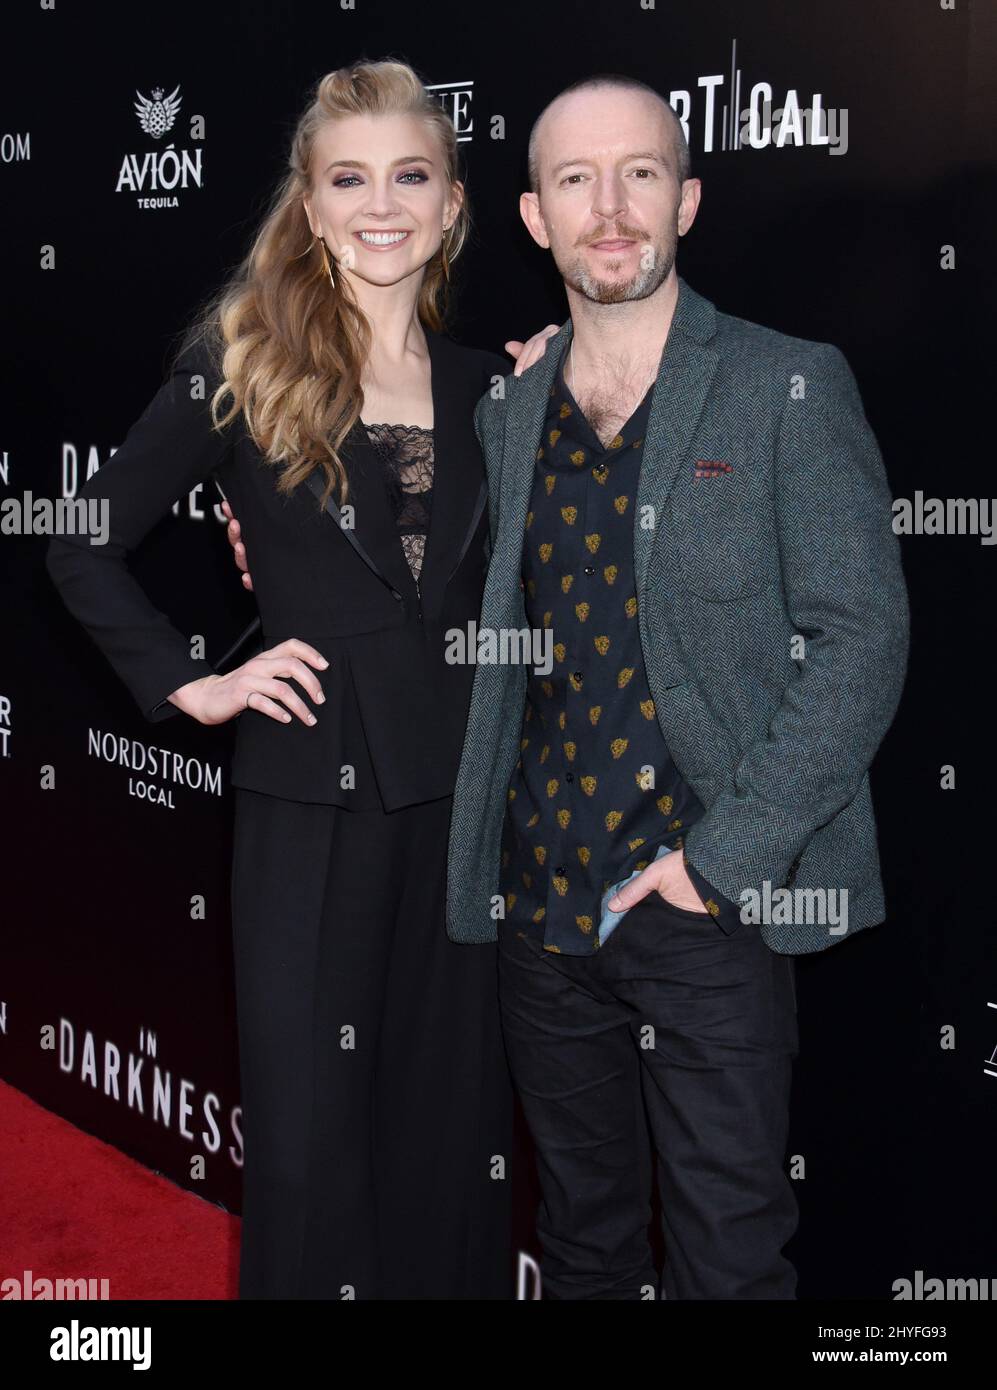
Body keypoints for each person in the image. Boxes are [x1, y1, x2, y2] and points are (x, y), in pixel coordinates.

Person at [45, 59, 520, 1300]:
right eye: (347, 178)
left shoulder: (496, 392)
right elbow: (79, 534)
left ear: (453, 202)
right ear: (309, 208)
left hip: (462, 808)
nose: (380, 205)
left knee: (447, 1138)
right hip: (309, 799)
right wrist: (190, 682)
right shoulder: (243, 364)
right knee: (308, 1148)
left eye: (408, 175)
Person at [444, 73, 911, 1299]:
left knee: (729, 1259)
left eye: (639, 173)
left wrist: (720, 865)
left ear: (687, 201)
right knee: (585, 1247)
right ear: (534, 217)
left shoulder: (785, 385)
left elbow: (860, 639)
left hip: (706, 906)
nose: (610, 207)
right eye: (575, 180)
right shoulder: (508, 410)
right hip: (541, 908)